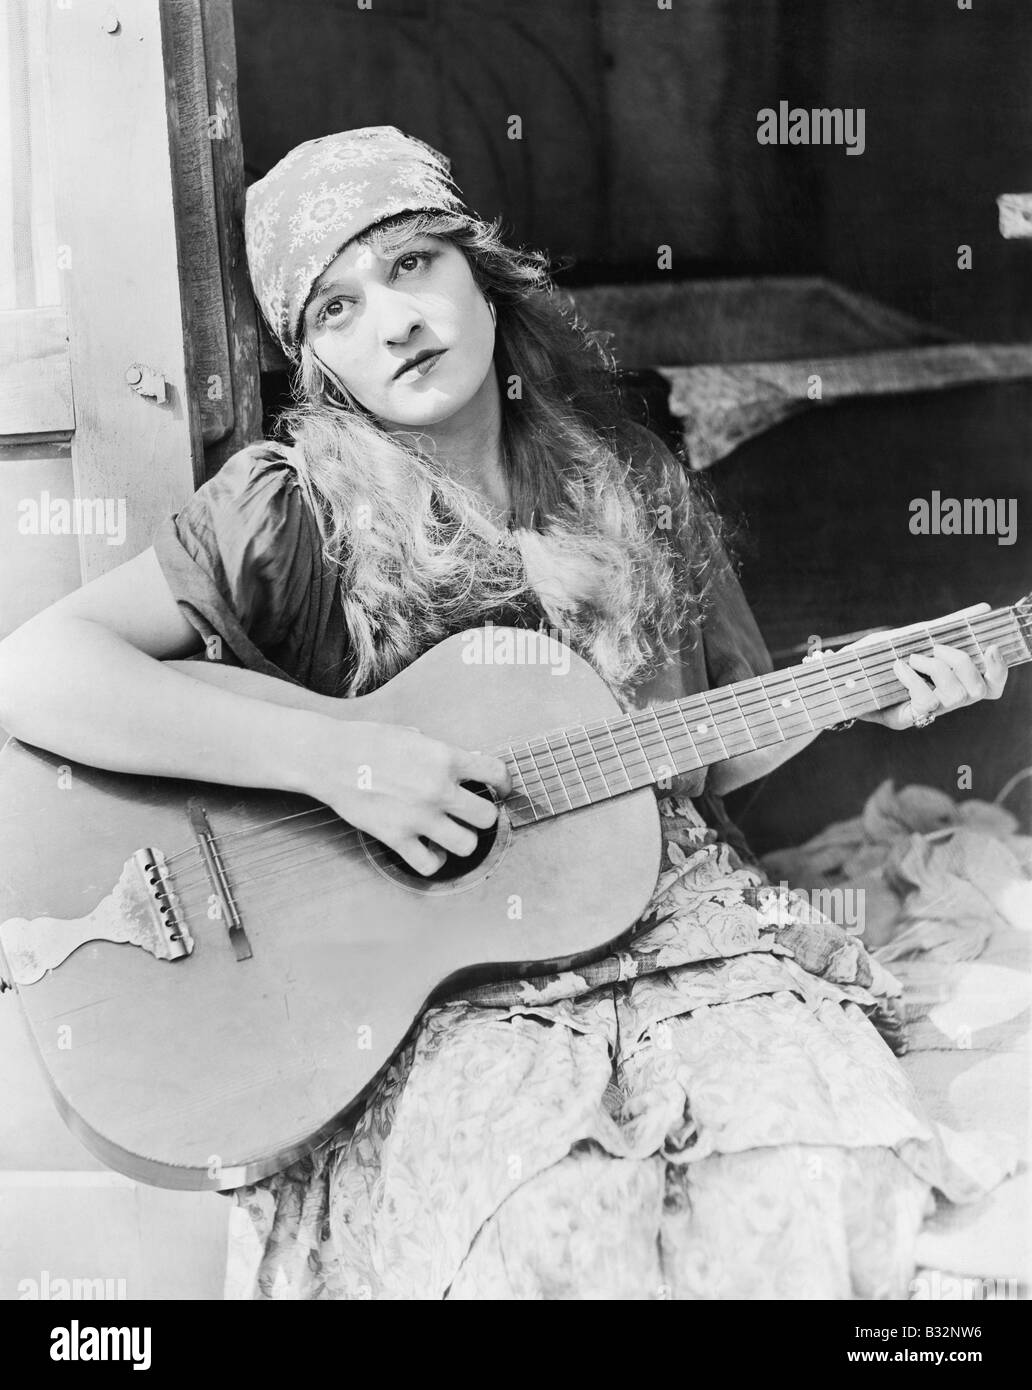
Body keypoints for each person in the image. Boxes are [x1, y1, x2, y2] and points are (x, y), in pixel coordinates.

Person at [0, 127, 1012, 1300]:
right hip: (454, 983)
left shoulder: (627, 483)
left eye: (414, 264)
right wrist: (345, 762)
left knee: (817, 1186)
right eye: (336, 308)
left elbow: (695, 760)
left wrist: (860, 695)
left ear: (482, 274)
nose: (393, 319)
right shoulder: (292, 507)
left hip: (677, 932)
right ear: (316, 361)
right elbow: (39, 669)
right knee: (538, 1229)